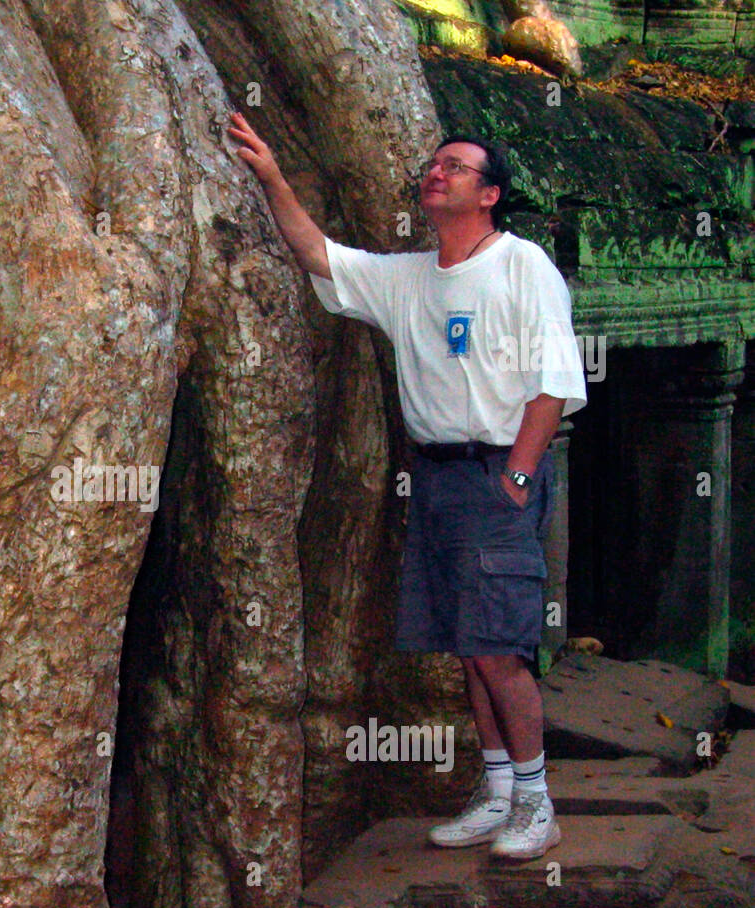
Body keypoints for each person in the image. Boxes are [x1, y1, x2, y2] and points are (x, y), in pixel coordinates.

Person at [229, 111, 586, 860]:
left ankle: (536, 800)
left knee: (499, 649)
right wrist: (271, 177)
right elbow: (320, 257)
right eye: (436, 163)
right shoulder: (409, 277)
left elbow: (553, 385)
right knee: (467, 646)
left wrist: (517, 477)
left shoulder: (522, 266)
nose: (438, 171)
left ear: (489, 195)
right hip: (438, 477)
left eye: (456, 166)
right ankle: (496, 791)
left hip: (496, 473)